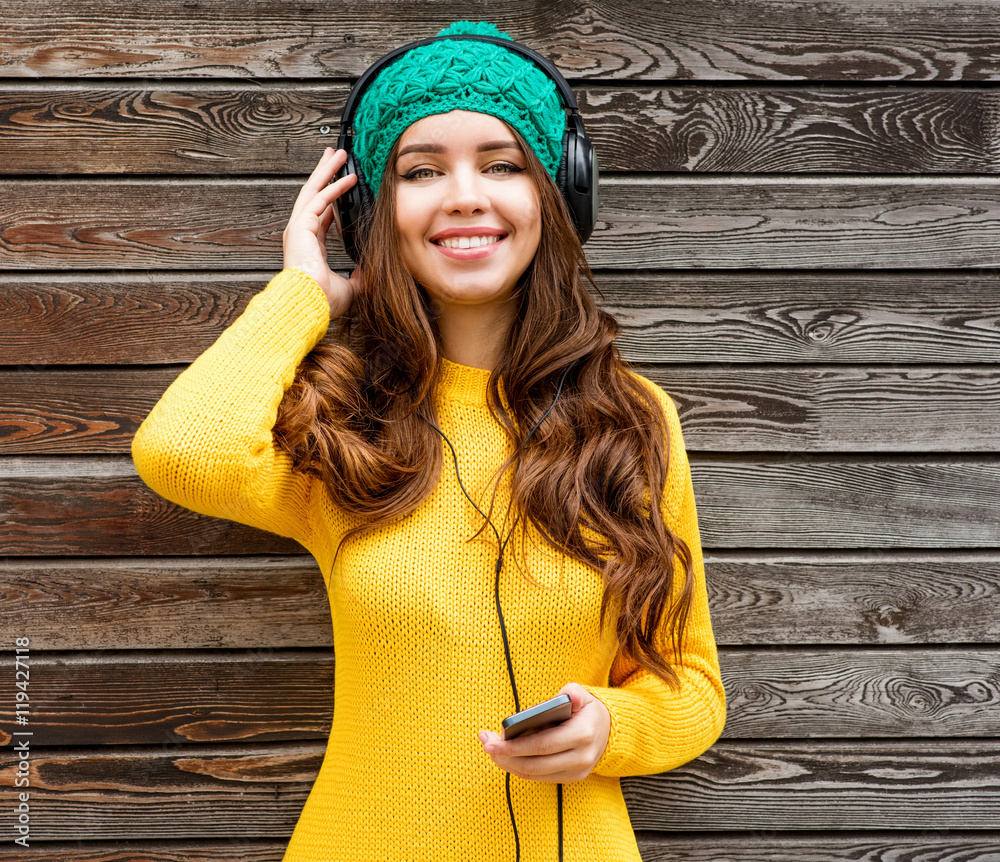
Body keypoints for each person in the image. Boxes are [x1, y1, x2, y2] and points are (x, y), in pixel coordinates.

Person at [131, 20, 726, 862]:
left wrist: (611, 727)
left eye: (502, 164)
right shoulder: (338, 423)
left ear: (559, 191)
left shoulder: (633, 420)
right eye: (420, 172)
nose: (464, 196)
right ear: (372, 210)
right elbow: (182, 450)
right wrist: (306, 290)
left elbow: (691, 686)